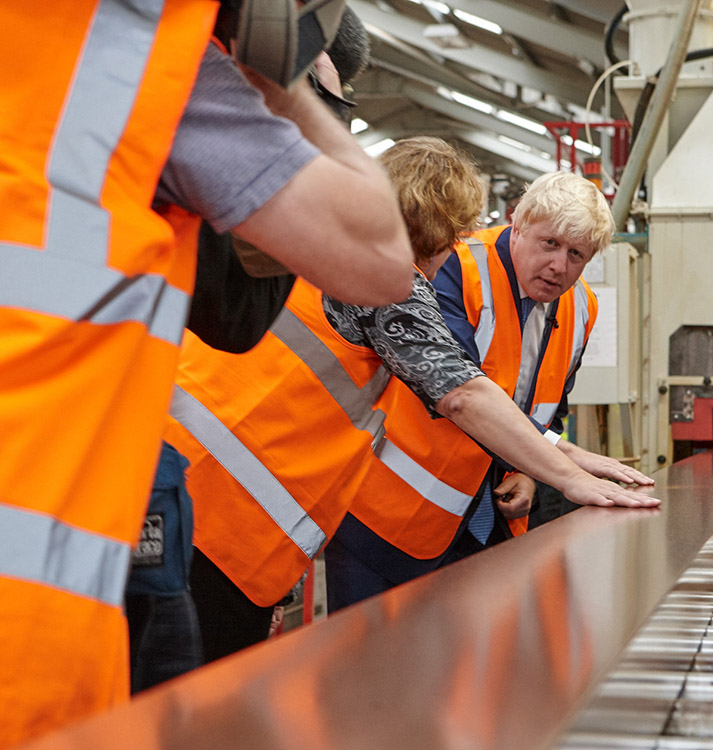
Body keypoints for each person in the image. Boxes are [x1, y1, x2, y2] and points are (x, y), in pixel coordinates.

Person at [0, 3, 411, 743]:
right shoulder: (133, 55)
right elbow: (376, 257)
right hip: (32, 623)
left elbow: (232, 306)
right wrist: (284, 87)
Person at [165, 139, 657, 659]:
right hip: (230, 521)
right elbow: (462, 393)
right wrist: (575, 478)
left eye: (575, 253)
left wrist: (564, 461)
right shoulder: (387, 281)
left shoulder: (311, 234)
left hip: (168, 474)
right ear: (446, 233)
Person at [124, 9, 373, 693]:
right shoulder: (182, 85)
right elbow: (369, 252)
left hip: (145, 476)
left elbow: (235, 309)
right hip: (172, 498)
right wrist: (299, 106)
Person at [326, 170, 654, 612]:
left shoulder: (581, 307)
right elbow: (460, 393)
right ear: (517, 224)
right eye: (549, 243)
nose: (559, 265)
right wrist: (566, 464)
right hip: (390, 514)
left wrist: (531, 471)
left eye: (577, 254)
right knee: (370, 662)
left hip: (489, 523)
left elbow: (550, 404)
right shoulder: (454, 268)